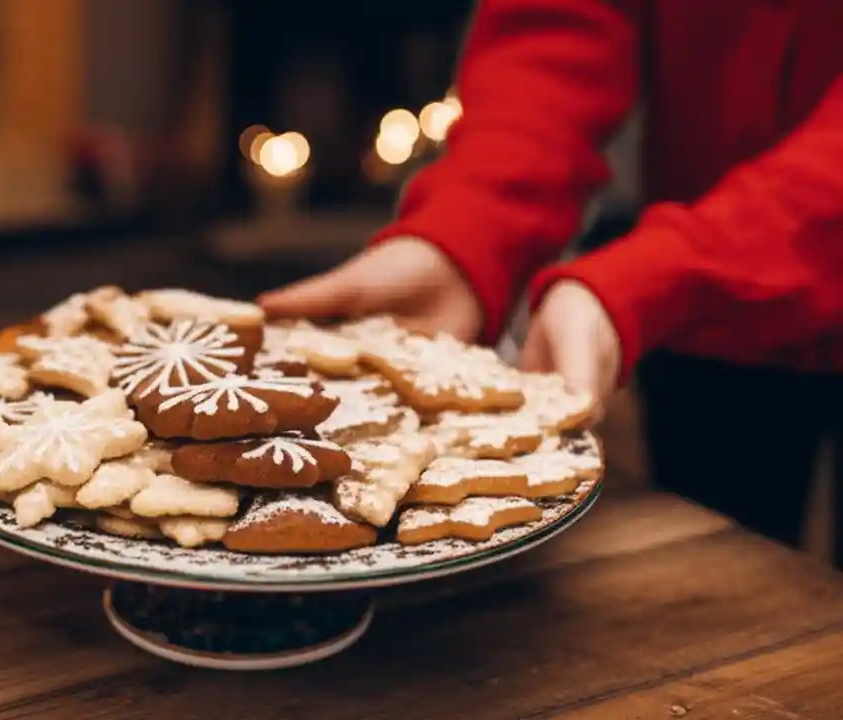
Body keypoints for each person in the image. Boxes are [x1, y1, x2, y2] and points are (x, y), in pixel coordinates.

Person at [259, 0, 843, 559]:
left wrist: (661, 273)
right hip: (699, 323)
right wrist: (467, 232)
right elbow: (560, 26)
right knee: (721, 606)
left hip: (686, 281)